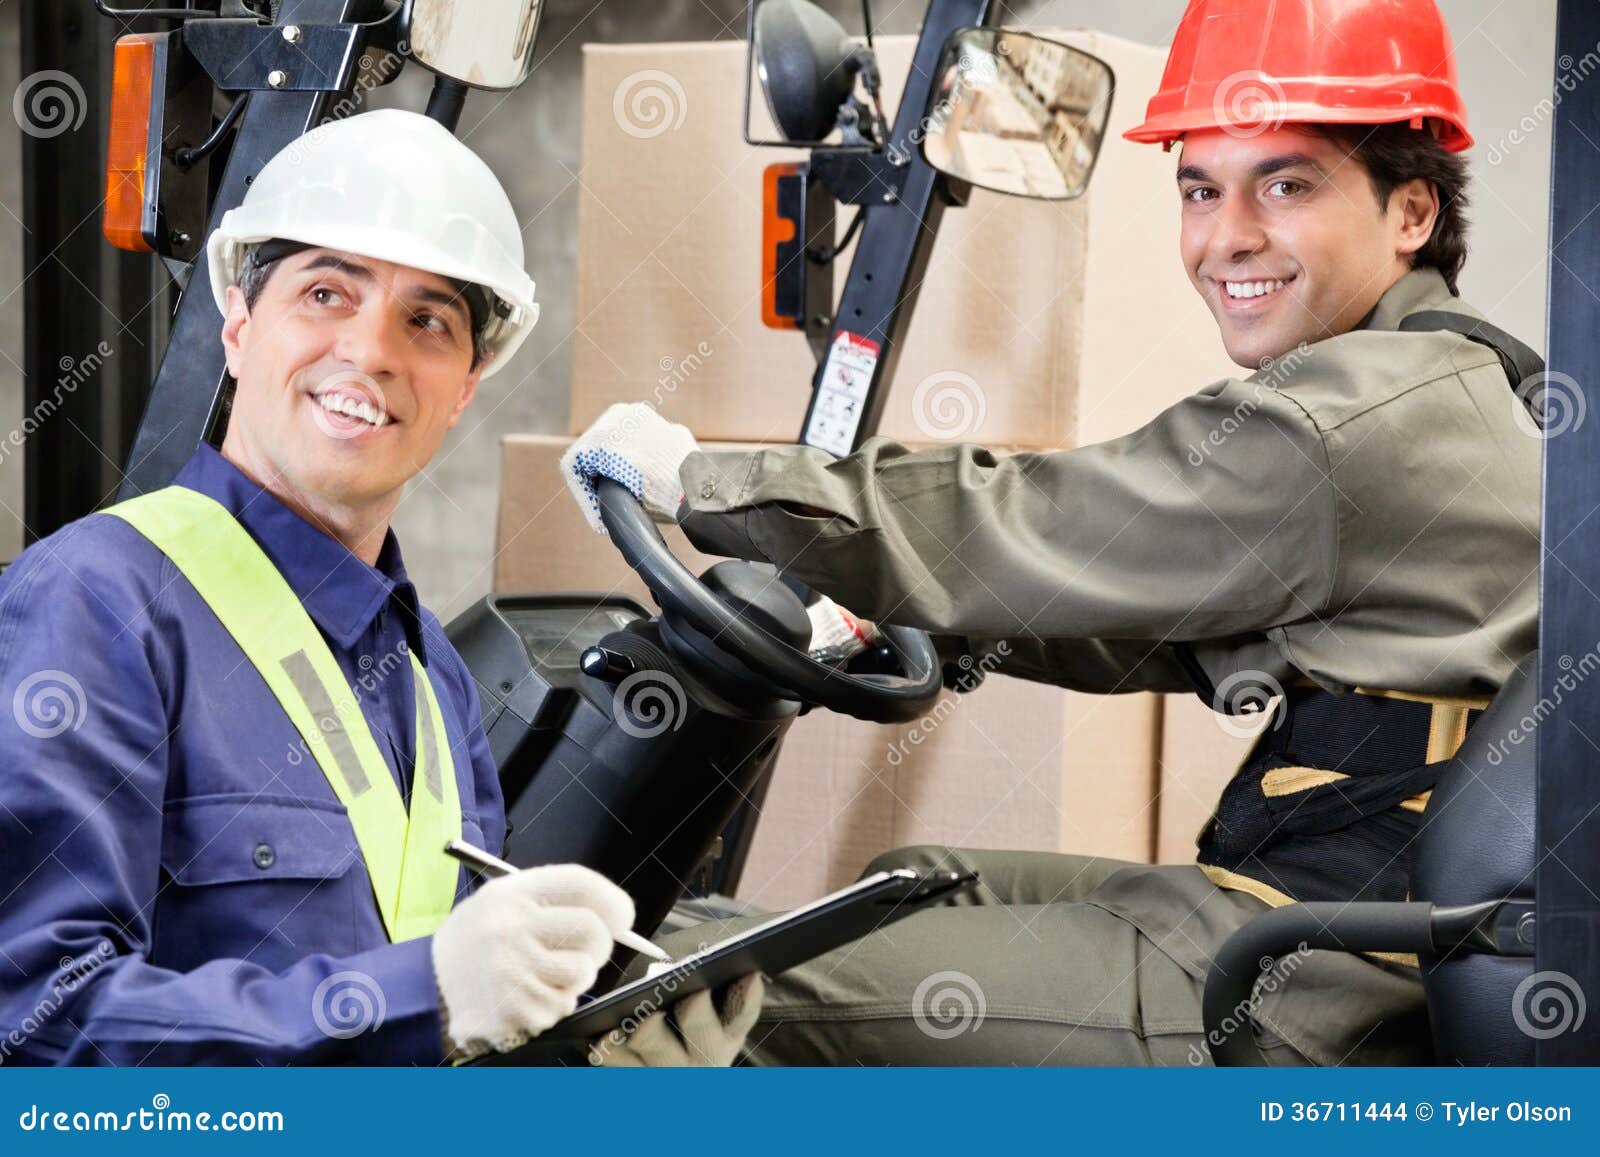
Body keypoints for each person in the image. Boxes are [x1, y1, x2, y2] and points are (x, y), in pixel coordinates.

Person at [563, 0, 1539, 1065]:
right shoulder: (1473, 378)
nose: (1228, 236)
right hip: (1356, 928)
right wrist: (908, 609)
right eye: (1200, 189)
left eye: (1286, 184)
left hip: (1301, 987)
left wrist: (695, 478)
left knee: (682, 970)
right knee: (908, 878)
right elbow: (1181, 623)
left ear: (1408, 212)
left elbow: (1022, 517)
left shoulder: (1343, 415)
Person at [0, 108, 760, 1066]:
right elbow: (34, 1027)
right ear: (236, 325)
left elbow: (442, 1056)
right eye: (325, 293)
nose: (370, 351)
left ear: (465, 384)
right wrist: (423, 993)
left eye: (427, 320)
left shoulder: (429, 676)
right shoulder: (96, 602)